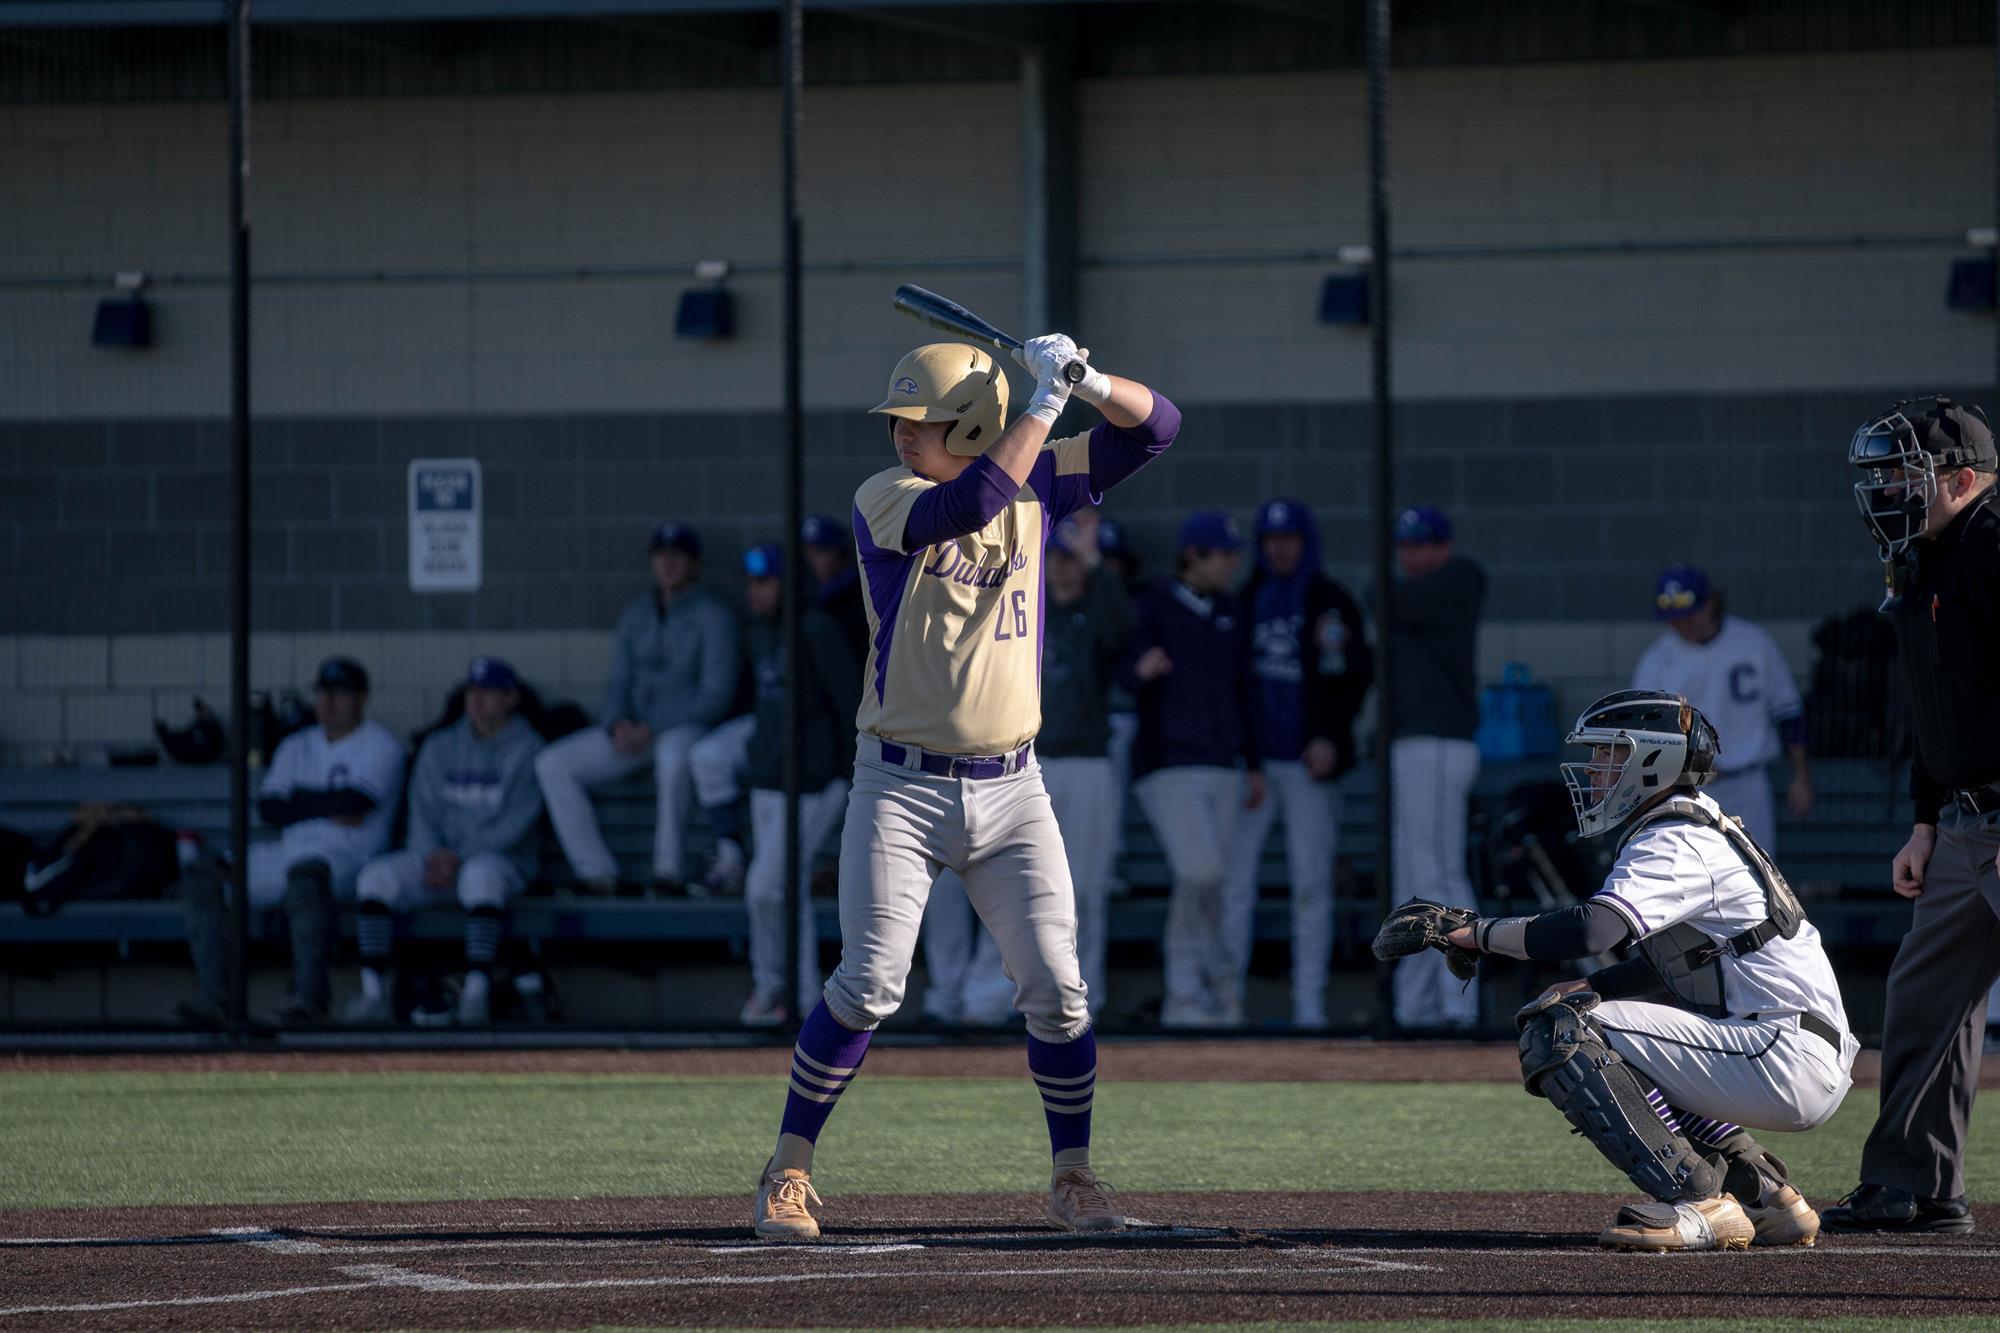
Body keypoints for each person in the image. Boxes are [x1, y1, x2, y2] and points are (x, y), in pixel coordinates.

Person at [750, 333, 1179, 1242]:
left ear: (973, 421)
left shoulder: (1041, 477)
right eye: (901, 421)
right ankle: (786, 1169)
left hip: (1015, 788)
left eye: (924, 422)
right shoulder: (887, 497)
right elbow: (973, 499)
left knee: (1060, 991)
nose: (904, 436)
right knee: (867, 984)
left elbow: (1158, 429)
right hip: (899, 786)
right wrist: (1042, 404)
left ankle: (1073, 1176)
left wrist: (1087, 379)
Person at [1381, 691, 1856, 1252]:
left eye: (1610, 753)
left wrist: (1474, 933)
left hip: (1780, 1050)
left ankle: (1698, 1199)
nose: (1595, 769)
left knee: (1557, 1028)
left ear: (1652, 761)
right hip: (1791, 1046)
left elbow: (1591, 931)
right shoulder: (1700, 826)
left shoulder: (1674, 838)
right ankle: (1768, 1199)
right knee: (1596, 1020)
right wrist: (1596, 985)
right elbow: (1677, 963)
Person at [1823, 397, 2000, 1235]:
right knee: (1924, 996)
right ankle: (1916, 1186)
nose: (1888, 488)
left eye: (1904, 473)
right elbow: (1938, 706)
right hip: (1966, 826)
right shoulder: (1923, 556)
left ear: (1962, 479)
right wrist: (1925, 820)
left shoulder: (1994, 544)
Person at [944, 516, 1136, 1026]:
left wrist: (1097, 565)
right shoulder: (1021, 606)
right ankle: (987, 1000)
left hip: (1088, 764)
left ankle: (1079, 1001)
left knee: (1086, 889)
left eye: (1073, 559)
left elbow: (1126, 633)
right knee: (1009, 890)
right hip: (1025, 764)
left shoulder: (1096, 611)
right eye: (1057, 557)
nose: (1064, 568)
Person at [178, 656, 405, 1027]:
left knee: (306, 879)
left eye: (340, 693)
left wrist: (300, 799)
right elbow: (270, 808)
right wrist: (325, 805)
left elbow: (356, 802)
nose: (329, 702)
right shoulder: (296, 744)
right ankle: (214, 997)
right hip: (288, 851)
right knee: (204, 876)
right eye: (322, 692)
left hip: (349, 856)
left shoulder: (380, 743)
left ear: (362, 698)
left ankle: (307, 998)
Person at [1226, 497, 1373, 1030]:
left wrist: (1332, 737)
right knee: (1236, 884)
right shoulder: (1245, 600)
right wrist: (1247, 758)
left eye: (1289, 538)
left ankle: (1308, 1003)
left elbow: (1355, 675)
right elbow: (1231, 687)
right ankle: (1229, 1003)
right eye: (1270, 538)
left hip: (1311, 767)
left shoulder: (1331, 599)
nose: (1279, 547)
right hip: (1257, 768)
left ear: (1305, 542)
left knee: (1311, 884)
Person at [534, 521, 739, 896]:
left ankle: (667, 872)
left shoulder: (714, 616)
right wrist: (615, 724)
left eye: (678, 556)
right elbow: (617, 684)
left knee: (674, 757)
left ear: (694, 564)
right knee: (553, 764)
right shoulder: (637, 614)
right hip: (635, 731)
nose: (668, 564)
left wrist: (652, 726)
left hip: (687, 727)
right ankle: (595, 873)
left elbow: (715, 697)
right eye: (661, 556)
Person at [344, 657, 546, 1027]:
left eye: (488, 692)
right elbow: (422, 813)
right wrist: (430, 856)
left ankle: (476, 994)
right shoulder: (441, 745)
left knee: (480, 876)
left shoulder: (529, 748)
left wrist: (457, 856)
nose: (478, 700)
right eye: (472, 691)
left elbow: (515, 826)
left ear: (510, 698)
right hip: (436, 862)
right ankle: (373, 995)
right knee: (374, 878)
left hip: (501, 862)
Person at [1124, 508, 1263, 1028]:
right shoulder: (1152, 605)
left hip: (1224, 763)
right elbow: (1119, 671)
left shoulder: (1232, 610)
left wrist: (1253, 761)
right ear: (1193, 556)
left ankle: (1214, 995)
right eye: (1222, 555)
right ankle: (1186, 993)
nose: (1230, 564)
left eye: (1232, 555)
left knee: (1213, 885)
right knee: (1198, 872)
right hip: (1167, 763)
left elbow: (1245, 691)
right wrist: (1140, 671)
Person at [736, 541, 864, 1027]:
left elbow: (850, 701)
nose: (756, 592)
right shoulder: (760, 632)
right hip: (769, 780)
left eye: (765, 581)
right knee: (779, 890)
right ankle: (791, 991)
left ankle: (782, 986)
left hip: (814, 783)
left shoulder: (814, 627)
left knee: (766, 886)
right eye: (752, 583)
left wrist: (845, 775)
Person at [1382, 503, 1486, 1033]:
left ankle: (1458, 1004)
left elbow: (1382, 597)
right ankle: (1416, 1008)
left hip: (1443, 741)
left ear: (1442, 546)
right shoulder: (1408, 592)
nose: (1412, 554)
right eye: (1405, 545)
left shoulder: (1461, 577)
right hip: (1412, 742)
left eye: (1422, 544)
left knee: (1440, 870)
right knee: (1412, 875)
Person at [1631, 564, 1811, 851]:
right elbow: (1645, 732)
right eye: (1673, 618)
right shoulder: (1657, 660)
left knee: (1758, 874)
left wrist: (1801, 776)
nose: (1681, 624)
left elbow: (1788, 713)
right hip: (1688, 785)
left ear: (1711, 603)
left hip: (1748, 780)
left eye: (1688, 614)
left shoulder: (1753, 642)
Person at [801, 512, 869, 661]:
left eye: (819, 552)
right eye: (807, 553)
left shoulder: (857, 595)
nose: (811, 560)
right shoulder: (813, 595)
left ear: (839, 553)